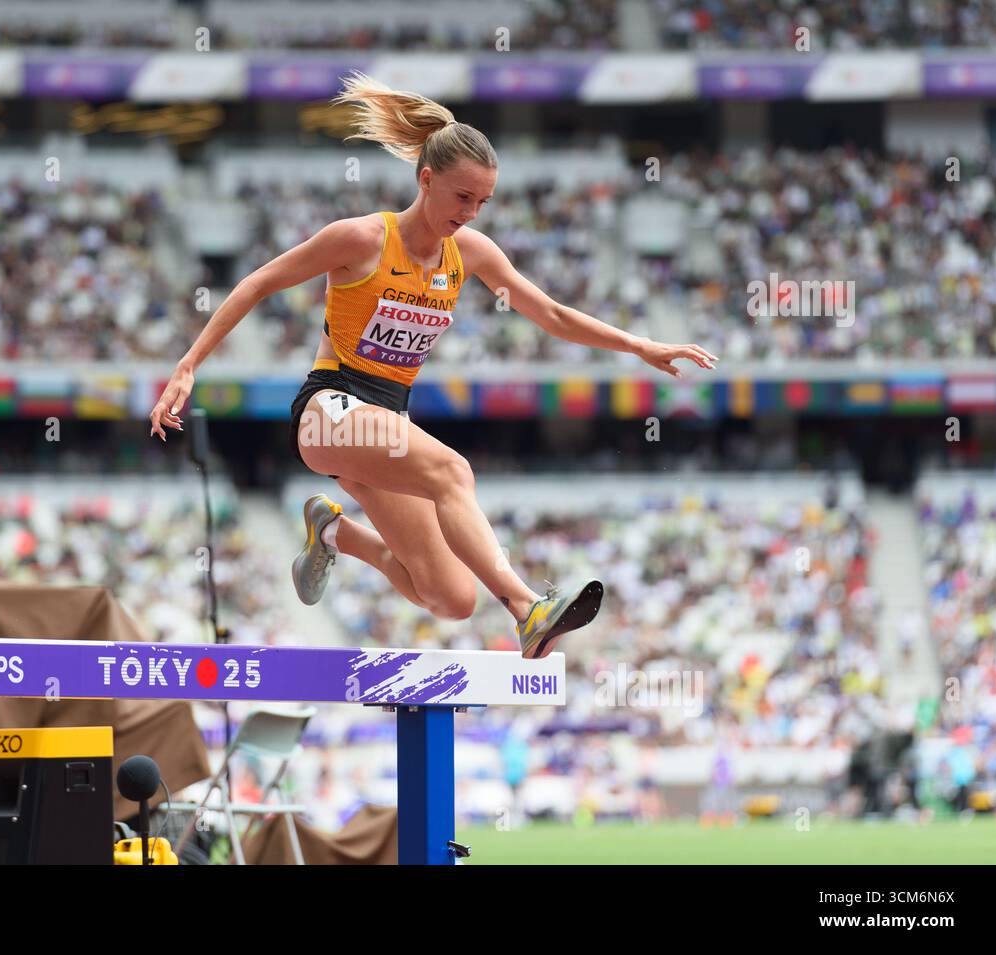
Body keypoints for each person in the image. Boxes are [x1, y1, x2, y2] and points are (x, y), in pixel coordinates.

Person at [150, 71, 718, 659]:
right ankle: (527, 607)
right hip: (329, 410)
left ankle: (337, 534)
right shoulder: (362, 239)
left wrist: (641, 345)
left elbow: (550, 313)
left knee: (450, 597)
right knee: (453, 471)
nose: (471, 214)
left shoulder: (469, 253)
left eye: (482, 202)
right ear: (426, 180)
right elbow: (257, 283)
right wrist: (190, 365)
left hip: (385, 427)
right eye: (462, 198)